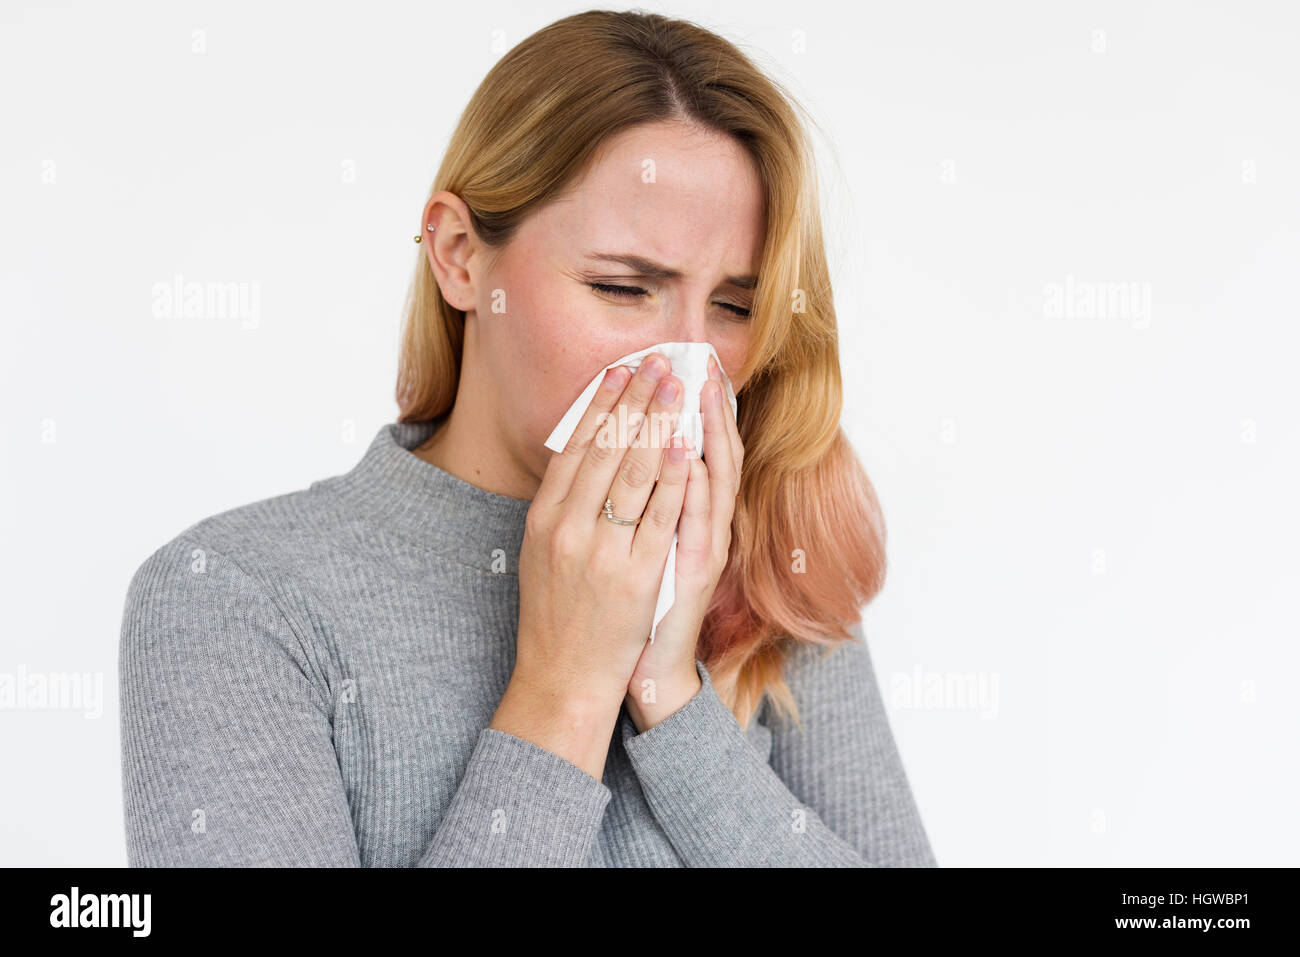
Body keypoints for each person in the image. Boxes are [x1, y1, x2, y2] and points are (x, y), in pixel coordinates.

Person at [119, 9, 937, 867]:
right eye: (624, 288)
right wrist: (566, 690)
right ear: (461, 255)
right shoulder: (237, 599)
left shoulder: (768, 569)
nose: (689, 361)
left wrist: (672, 698)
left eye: (734, 306)